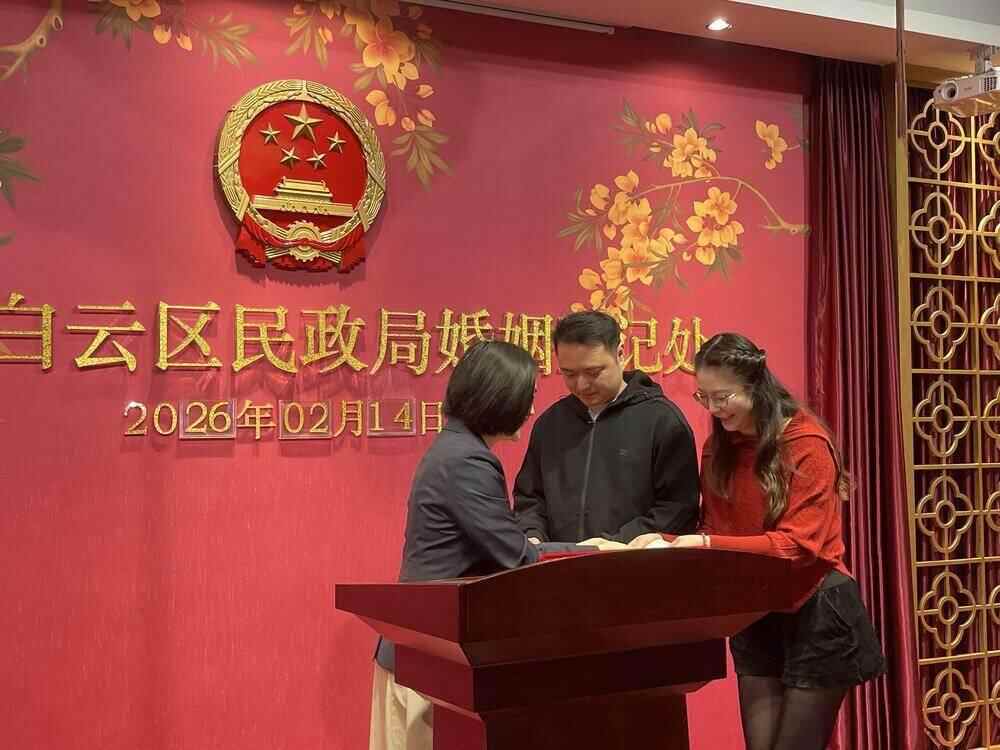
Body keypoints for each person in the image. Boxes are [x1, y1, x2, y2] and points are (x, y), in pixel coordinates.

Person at [631, 332, 885, 750]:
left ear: (755, 385)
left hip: (817, 610)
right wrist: (664, 540)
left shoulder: (805, 442)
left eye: (723, 397)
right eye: (704, 397)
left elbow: (797, 547)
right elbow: (715, 531)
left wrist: (705, 546)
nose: (713, 409)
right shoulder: (717, 449)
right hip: (754, 611)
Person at [369, 340, 598, 750]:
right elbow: (516, 557)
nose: (531, 410)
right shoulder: (467, 460)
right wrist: (598, 550)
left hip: (428, 656)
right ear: (499, 398)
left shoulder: (455, 448)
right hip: (430, 662)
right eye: (526, 398)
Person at [514, 310, 699, 545]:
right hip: (558, 561)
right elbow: (530, 498)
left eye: (593, 372)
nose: (581, 385)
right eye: (569, 374)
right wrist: (533, 535)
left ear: (620, 354)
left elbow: (678, 509)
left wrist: (614, 545)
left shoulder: (662, 421)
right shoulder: (551, 423)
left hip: (632, 561)